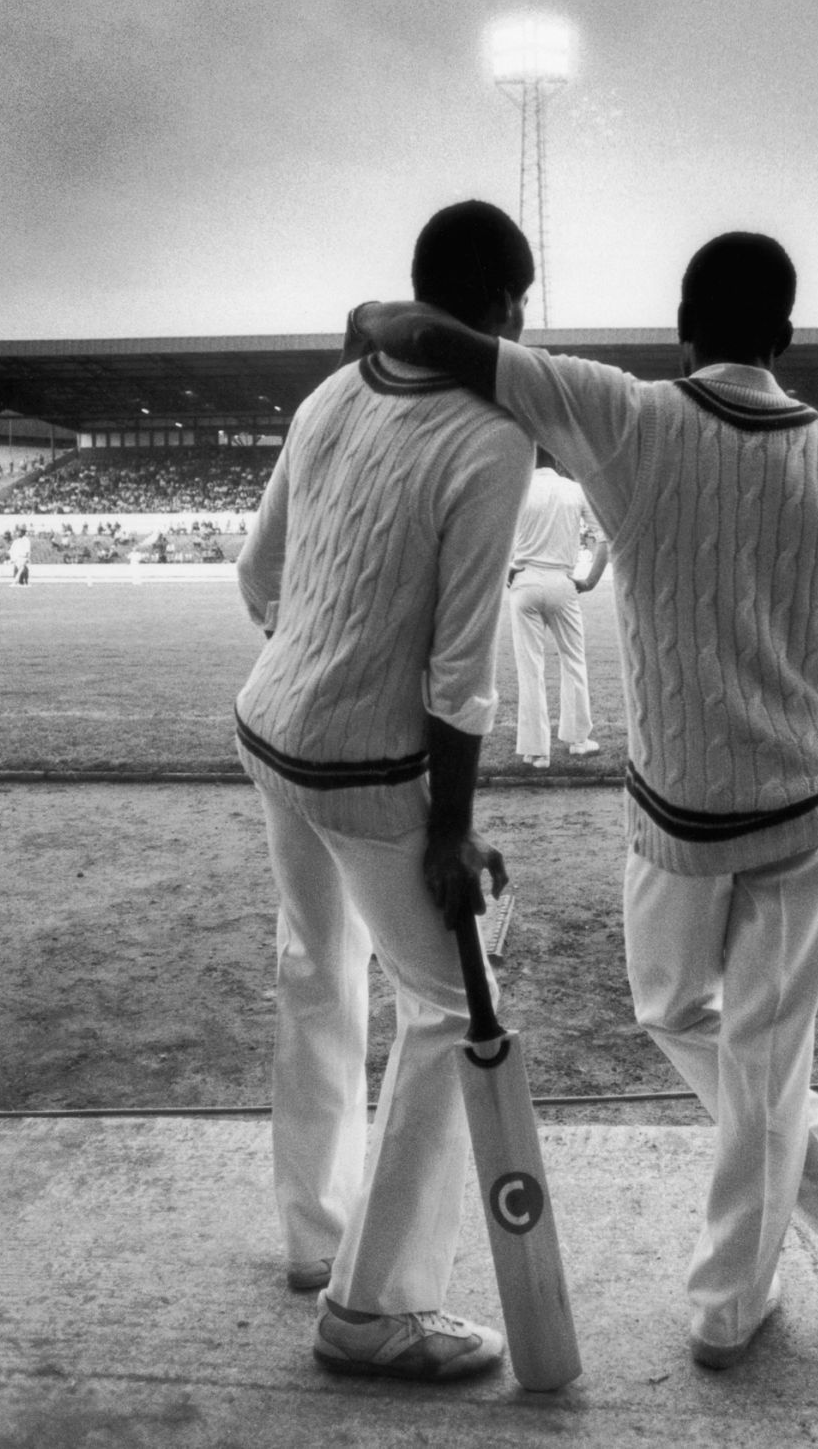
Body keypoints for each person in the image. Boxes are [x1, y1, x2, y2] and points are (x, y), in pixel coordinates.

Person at [350, 229, 818, 1370]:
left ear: (683, 324)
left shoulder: (622, 413)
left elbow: (441, 336)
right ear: (784, 337)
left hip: (677, 804)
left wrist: (370, 328)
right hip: (805, 797)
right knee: (752, 1050)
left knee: (677, 1011)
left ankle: (731, 1304)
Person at [234, 201, 536, 1382]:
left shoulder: (328, 395)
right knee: (452, 1009)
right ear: (507, 309)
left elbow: (260, 573)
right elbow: (462, 675)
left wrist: (314, 659)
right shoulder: (492, 438)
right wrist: (452, 830)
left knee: (317, 970)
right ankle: (373, 1306)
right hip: (361, 764)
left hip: (270, 727)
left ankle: (316, 1236)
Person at [507, 455, 608, 767]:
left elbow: (494, 538)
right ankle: (579, 740)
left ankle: (537, 752)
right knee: (573, 661)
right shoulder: (575, 490)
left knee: (530, 668)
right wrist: (590, 580)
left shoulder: (517, 488)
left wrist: (510, 568)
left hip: (524, 581)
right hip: (562, 583)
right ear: (558, 464)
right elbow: (604, 539)